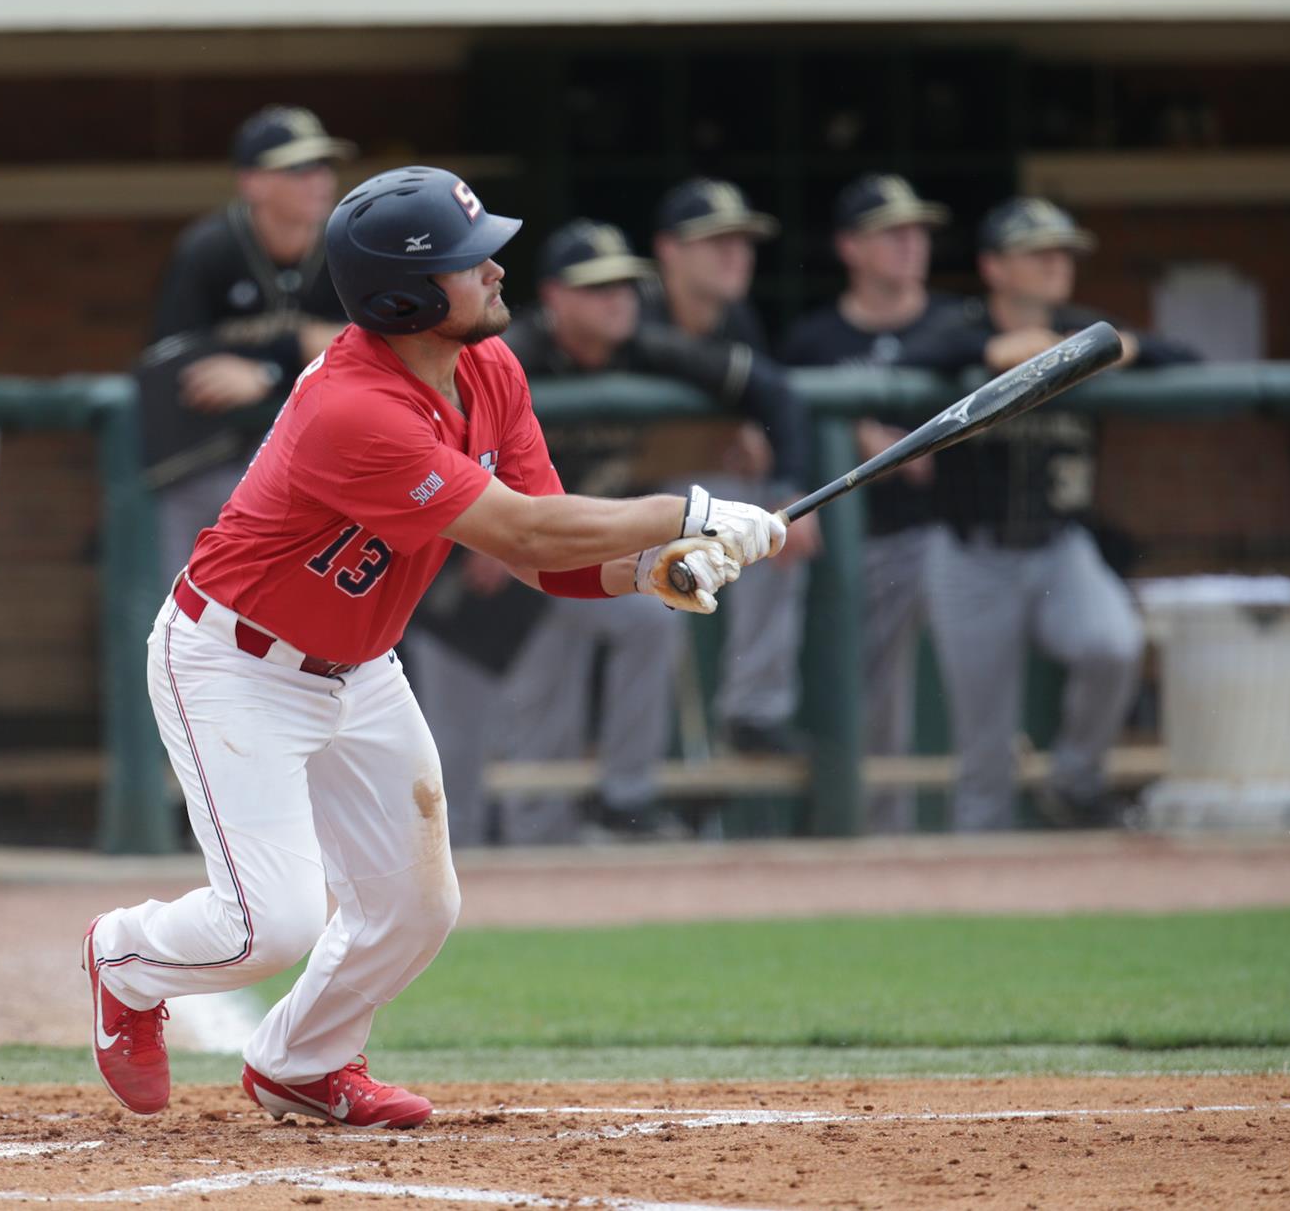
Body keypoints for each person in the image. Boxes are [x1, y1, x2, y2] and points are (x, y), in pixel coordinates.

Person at [83, 166, 787, 1128]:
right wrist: (692, 508)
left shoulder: (491, 369)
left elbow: (539, 549)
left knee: (416, 906)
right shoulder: (353, 408)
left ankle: (303, 1059)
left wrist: (650, 570)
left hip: (360, 668)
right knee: (270, 922)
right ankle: (125, 954)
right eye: (469, 260)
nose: (497, 269)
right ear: (404, 295)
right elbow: (535, 536)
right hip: (235, 665)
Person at [406, 215, 813, 844]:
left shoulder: (643, 348)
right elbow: (426, 453)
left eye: (624, 285)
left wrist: (785, 478)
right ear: (554, 297)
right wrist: (475, 533)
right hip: (458, 567)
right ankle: (484, 878)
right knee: (455, 764)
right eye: (596, 288)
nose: (618, 299)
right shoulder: (501, 357)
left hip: (559, 553)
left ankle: (621, 804)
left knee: (649, 620)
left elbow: (773, 391)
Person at [907, 197, 1197, 829]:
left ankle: (1075, 779)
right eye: (1039, 253)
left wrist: (1106, 348)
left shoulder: (1084, 327)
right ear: (994, 266)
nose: (1057, 264)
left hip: (1059, 547)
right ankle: (980, 895)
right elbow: (909, 360)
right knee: (985, 754)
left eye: (1063, 253)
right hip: (970, 551)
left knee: (1115, 644)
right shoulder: (957, 327)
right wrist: (993, 353)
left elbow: (1186, 359)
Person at [779, 174, 967, 831]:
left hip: (954, 536)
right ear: (850, 247)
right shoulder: (814, 340)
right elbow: (775, 430)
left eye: (917, 230)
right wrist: (847, 436)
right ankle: (872, 835)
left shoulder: (956, 326)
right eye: (892, 232)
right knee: (870, 699)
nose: (911, 243)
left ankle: (991, 835)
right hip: (855, 548)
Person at [140, 106, 354, 582]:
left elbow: (379, 351)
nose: (317, 179)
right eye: (297, 168)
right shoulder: (211, 250)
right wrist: (304, 347)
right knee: (192, 605)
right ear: (252, 182)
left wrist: (269, 369)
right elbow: (170, 367)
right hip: (209, 463)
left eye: (323, 166)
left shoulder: (347, 248)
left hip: (322, 469)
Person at [650, 180, 821, 756]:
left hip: (674, 505)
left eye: (742, 242)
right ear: (669, 250)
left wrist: (784, 483)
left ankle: (753, 714)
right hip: (590, 502)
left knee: (770, 529)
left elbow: (779, 401)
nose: (736, 254)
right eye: (715, 241)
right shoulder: (630, 310)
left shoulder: (738, 320)